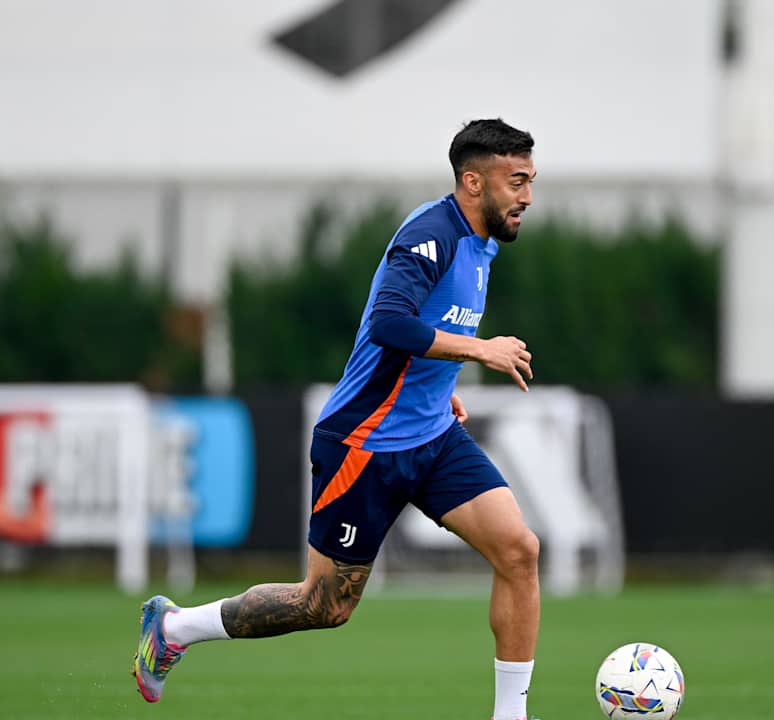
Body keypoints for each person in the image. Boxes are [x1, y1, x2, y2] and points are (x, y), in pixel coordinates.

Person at [132, 118, 542, 720]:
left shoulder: (482, 240)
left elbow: (428, 330)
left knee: (519, 551)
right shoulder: (430, 234)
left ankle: (511, 717)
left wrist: (439, 383)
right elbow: (390, 324)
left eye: (532, 180)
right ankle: (173, 628)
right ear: (473, 182)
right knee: (324, 605)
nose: (527, 196)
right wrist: (478, 349)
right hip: (363, 442)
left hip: (431, 437)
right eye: (517, 181)